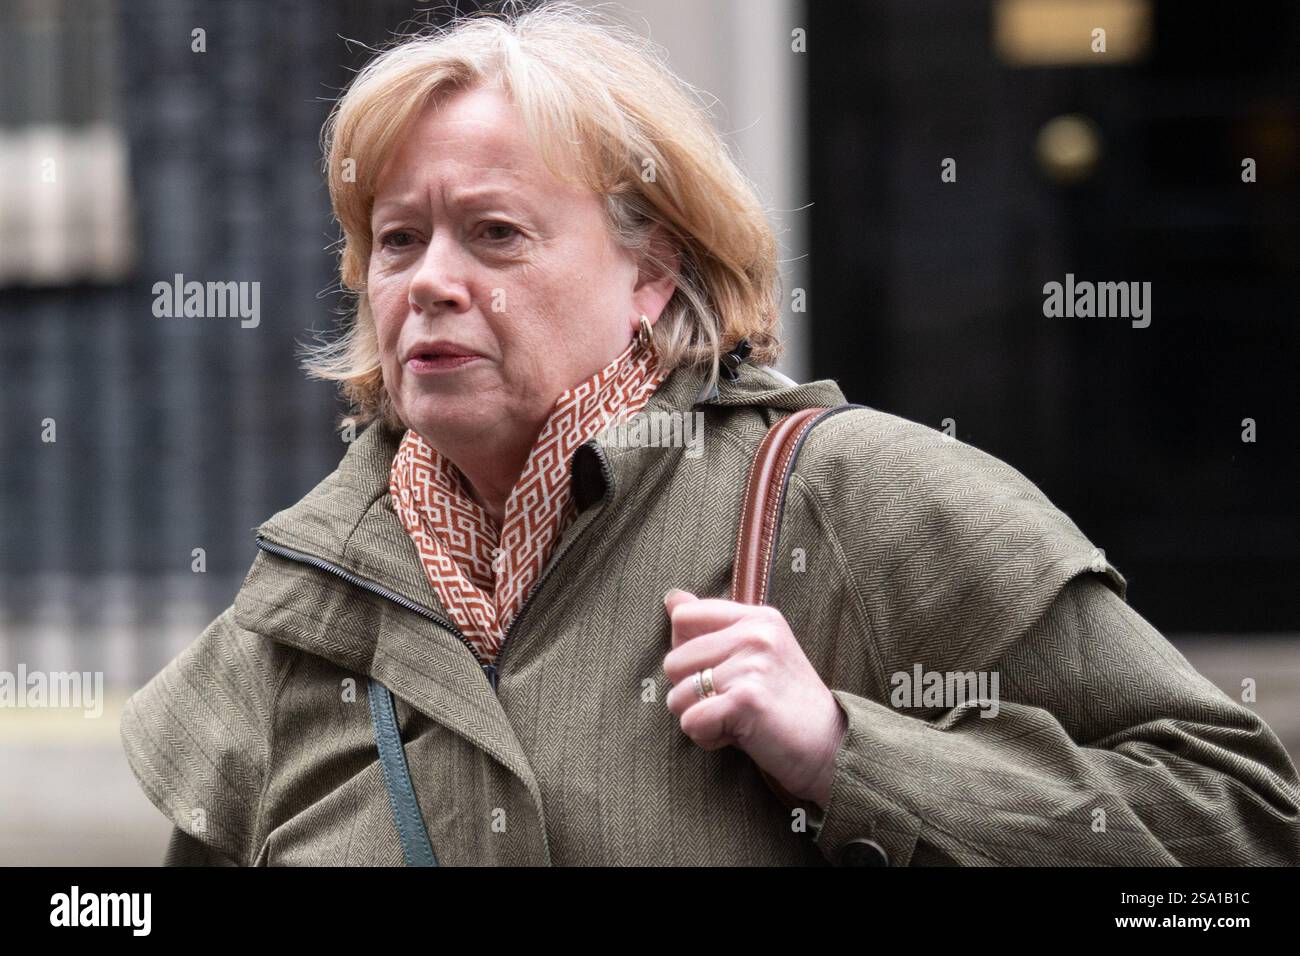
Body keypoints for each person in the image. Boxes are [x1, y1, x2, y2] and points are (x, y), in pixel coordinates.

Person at [120, 2, 1300, 866]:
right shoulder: (306, 595)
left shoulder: (857, 497)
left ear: (652, 270)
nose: (428, 282)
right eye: (396, 240)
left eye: (493, 233)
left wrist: (853, 753)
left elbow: (1241, 823)